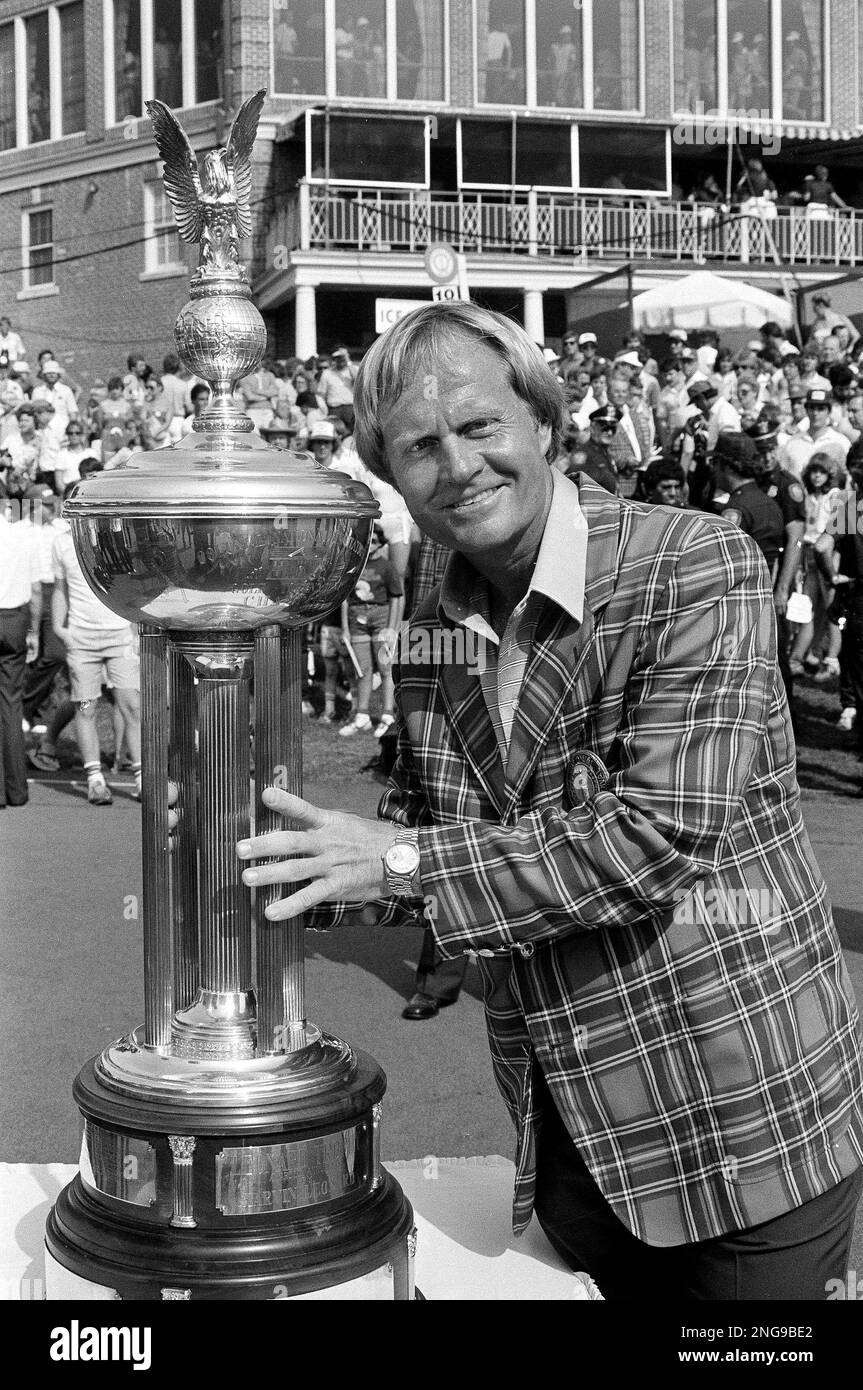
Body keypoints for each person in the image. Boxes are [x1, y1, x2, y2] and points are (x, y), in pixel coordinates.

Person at [230, 302, 863, 1301]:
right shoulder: (432, 599)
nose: (458, 463)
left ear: (542, 421)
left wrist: (398, 864)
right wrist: (271, 865)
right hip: (566, 1130)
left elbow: (649, 839)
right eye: (419, 445)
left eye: (479, 426)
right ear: (390, 476)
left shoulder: (694, 563)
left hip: (743, 1124)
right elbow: (452, 820)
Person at [52, 503, 142, 805]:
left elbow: (133, 585)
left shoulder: (116, 539)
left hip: (118, 634)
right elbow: (60, 589)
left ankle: (142, 779)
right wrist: (58, 627)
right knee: (86, 706)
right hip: (82, 635)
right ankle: (95, 780)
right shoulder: (61, 542)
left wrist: (133, 627)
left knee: (132, 706)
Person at [0, 481, 41, 806]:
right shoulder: (23, 535)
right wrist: (34, 633)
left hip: (12, 613)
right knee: (11, 705)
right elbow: (37, 589)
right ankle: (16, 789)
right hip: (14, 618)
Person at [317, 346, 358, 430]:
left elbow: (358, 379)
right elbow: (321, 394)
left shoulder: (353, 370)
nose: (340, 360)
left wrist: (347, 359)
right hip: (334, 409)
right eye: (337, 358)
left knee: (352, 433)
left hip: (349, 408)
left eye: (342, 358)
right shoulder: (327, 373)